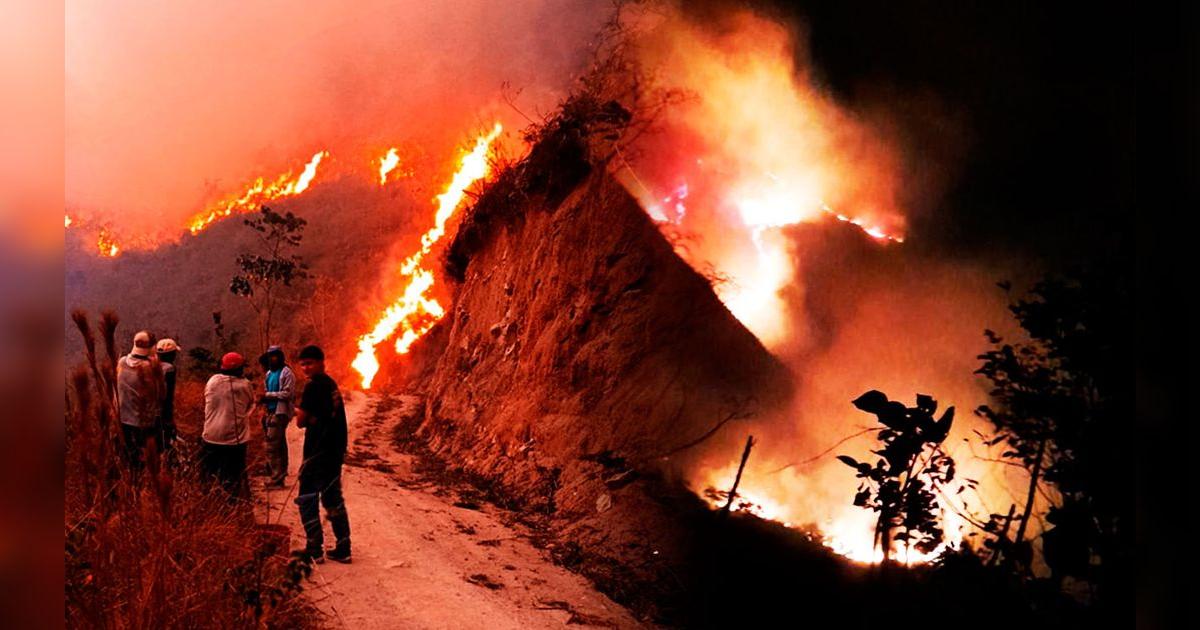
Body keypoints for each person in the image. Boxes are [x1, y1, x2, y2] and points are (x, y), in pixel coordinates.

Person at [292, 345, 351, 564]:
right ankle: (343, 546)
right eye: (303, 364)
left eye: (310, 363)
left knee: (307, 498)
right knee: (332, 497)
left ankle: (314, 547)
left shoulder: (313, 387)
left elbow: (300, 421)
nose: (306, 368)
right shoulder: (330, 384)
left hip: (317, 452)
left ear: (321, 362)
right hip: (334, 451)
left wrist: (302, 415)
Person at [201, 352, 255, 498]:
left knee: (209, 475)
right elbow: (250, 404)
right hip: (234, 441)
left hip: (210, 437)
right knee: (234, 478)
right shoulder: (245, 385)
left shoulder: (212, 381)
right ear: (240, 369)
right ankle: (235, 505)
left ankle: (209, 503)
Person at [116, 330, 164, 471]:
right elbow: (161, 395)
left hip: (123, 420)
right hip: (144, 423)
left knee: (127, 459)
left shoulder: (122, 362)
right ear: (152, 347)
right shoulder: (151, 368)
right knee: (145, 462)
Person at [257, 345, 295, 487]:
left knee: (272, 445)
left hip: (281, 412)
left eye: (275, 356)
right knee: (279, 444)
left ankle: (276, 477)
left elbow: (287, 394)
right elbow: (267, 391)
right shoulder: (269, 374)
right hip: (270, 412)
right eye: (270, 356)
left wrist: (267, 396)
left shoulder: (287, 373)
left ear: (280, 356)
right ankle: (280, 474)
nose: (273, 359)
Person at [155, 338, 181, 457]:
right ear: (171, 355)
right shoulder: (169, 369)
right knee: (164, 444)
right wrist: (169, 420)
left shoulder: (149, 365)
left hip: (146, 413)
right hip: (161, 414)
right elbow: (168, 397)